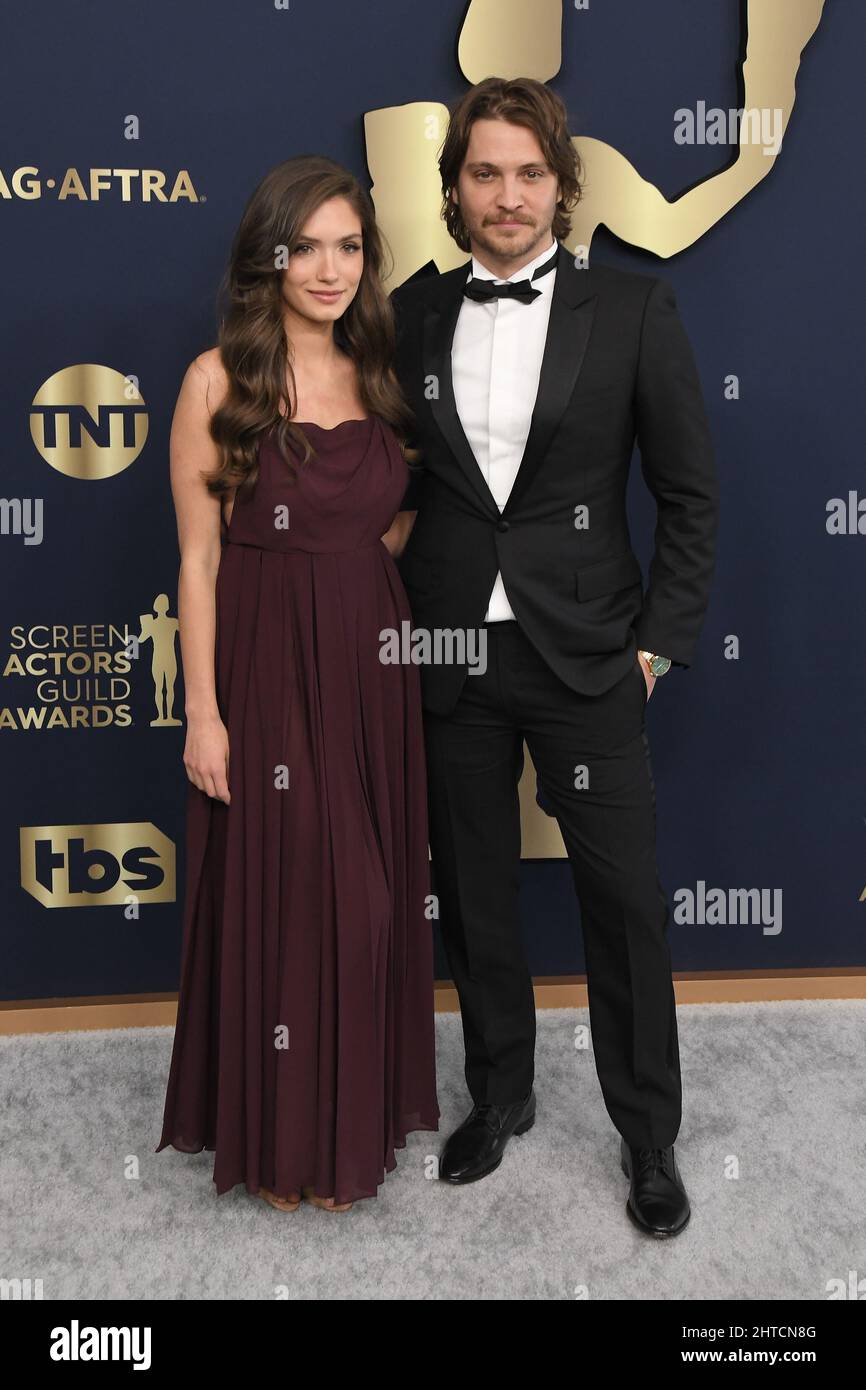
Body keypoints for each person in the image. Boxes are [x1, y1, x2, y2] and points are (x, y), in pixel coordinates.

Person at [391, 78, 719, 1236]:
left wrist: (655, 652)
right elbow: (395, 485)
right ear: (453, 189)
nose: (507, 195)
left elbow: (688, 495)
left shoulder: (632, 310)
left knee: (621, 901)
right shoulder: (409, 314)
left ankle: (646, 1135)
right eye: (484, 172)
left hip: (590, 657)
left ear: (560, 186)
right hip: (448, 650)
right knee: (474, 892)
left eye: (529, 173)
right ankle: (499, 1096)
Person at [156, 155, 439, 1213]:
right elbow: (195, 559)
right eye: (305, 246)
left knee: (366, 905)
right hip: (267, 666)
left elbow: (389, 517)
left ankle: (345, 1130)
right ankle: (284, 1145)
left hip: (369, 666)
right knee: (299, 903)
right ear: (266, 258)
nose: (328, 268)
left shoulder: (375, 373)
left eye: (349, 246)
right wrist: (205, 714)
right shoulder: (213, 381)